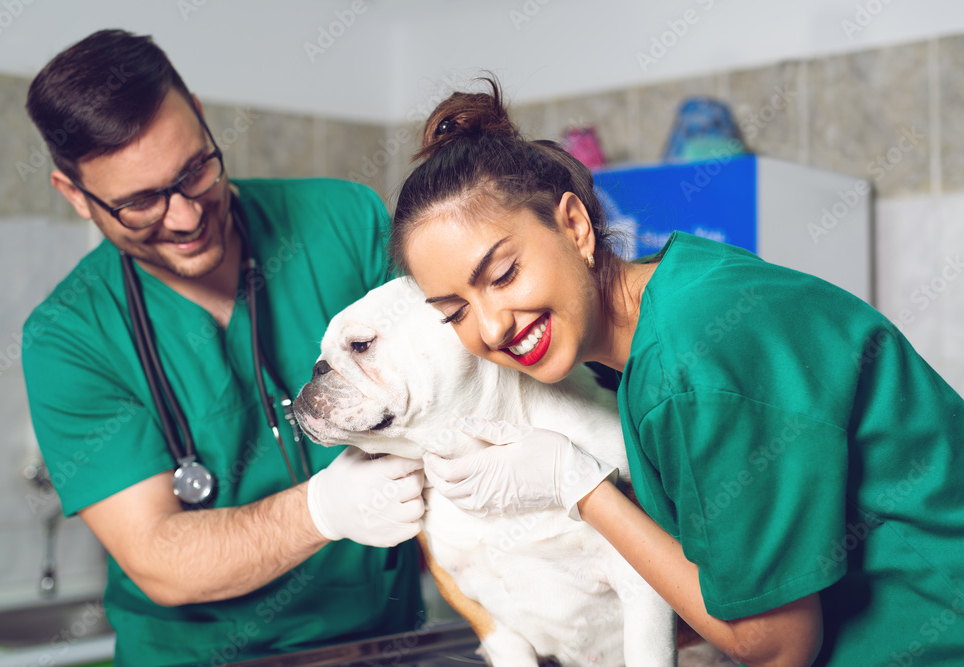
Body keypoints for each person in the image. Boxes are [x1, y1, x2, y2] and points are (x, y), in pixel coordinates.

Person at [388, 78, 964, 667]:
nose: (489, 328)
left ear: (576, 226)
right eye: (455, 312)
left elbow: (776, 647)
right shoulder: (674, 298)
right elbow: (721, 571)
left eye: (504, 274)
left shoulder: (691, 357)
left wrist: (579, 489)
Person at [22, 30, 426, 667]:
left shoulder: (346, 223)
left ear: (203, 120)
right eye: (140, 203)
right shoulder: (69, 337)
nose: (184, 217)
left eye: (194, 171)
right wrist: (325, 508)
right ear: (76, 195)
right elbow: (158, 557)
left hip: (383, 644)